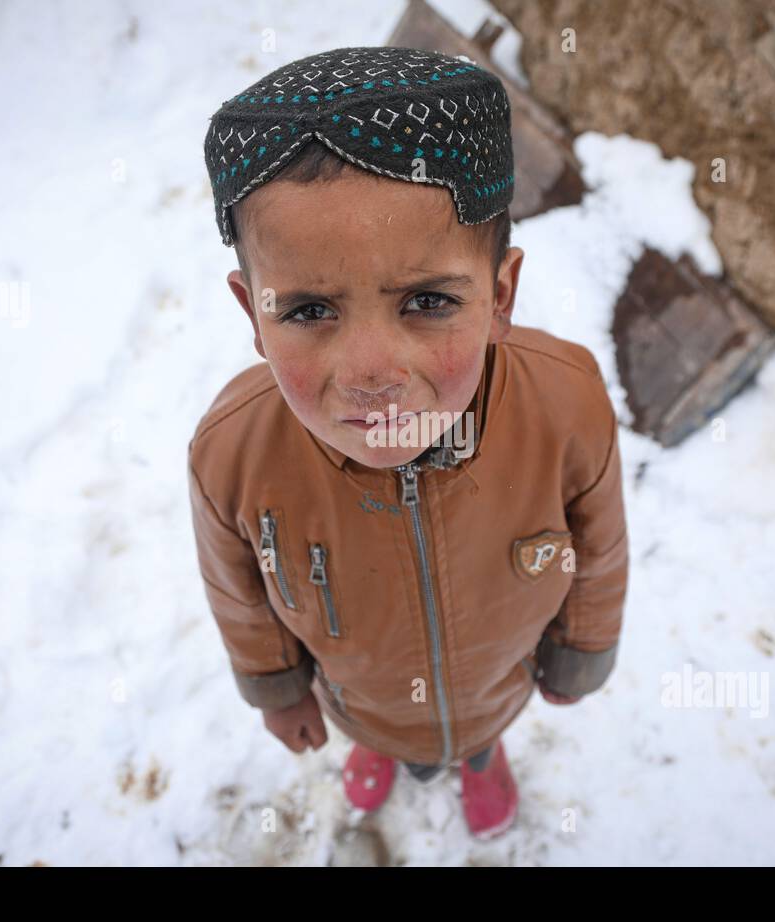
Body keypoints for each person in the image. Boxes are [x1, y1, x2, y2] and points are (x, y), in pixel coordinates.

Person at [190, 46, 628, 840]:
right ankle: (382, 748)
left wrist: (582, 648)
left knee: (481, 724)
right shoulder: (233, 452)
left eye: (427, 300)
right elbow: (236, 589)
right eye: (309, 311)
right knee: (377, 723)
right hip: (359, 695)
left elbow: (600, 546)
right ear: (252, 314)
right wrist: (277, 686)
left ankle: (480, 755)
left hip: (496, 682)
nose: (370, 373)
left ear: (499, 296)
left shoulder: (567, 401)